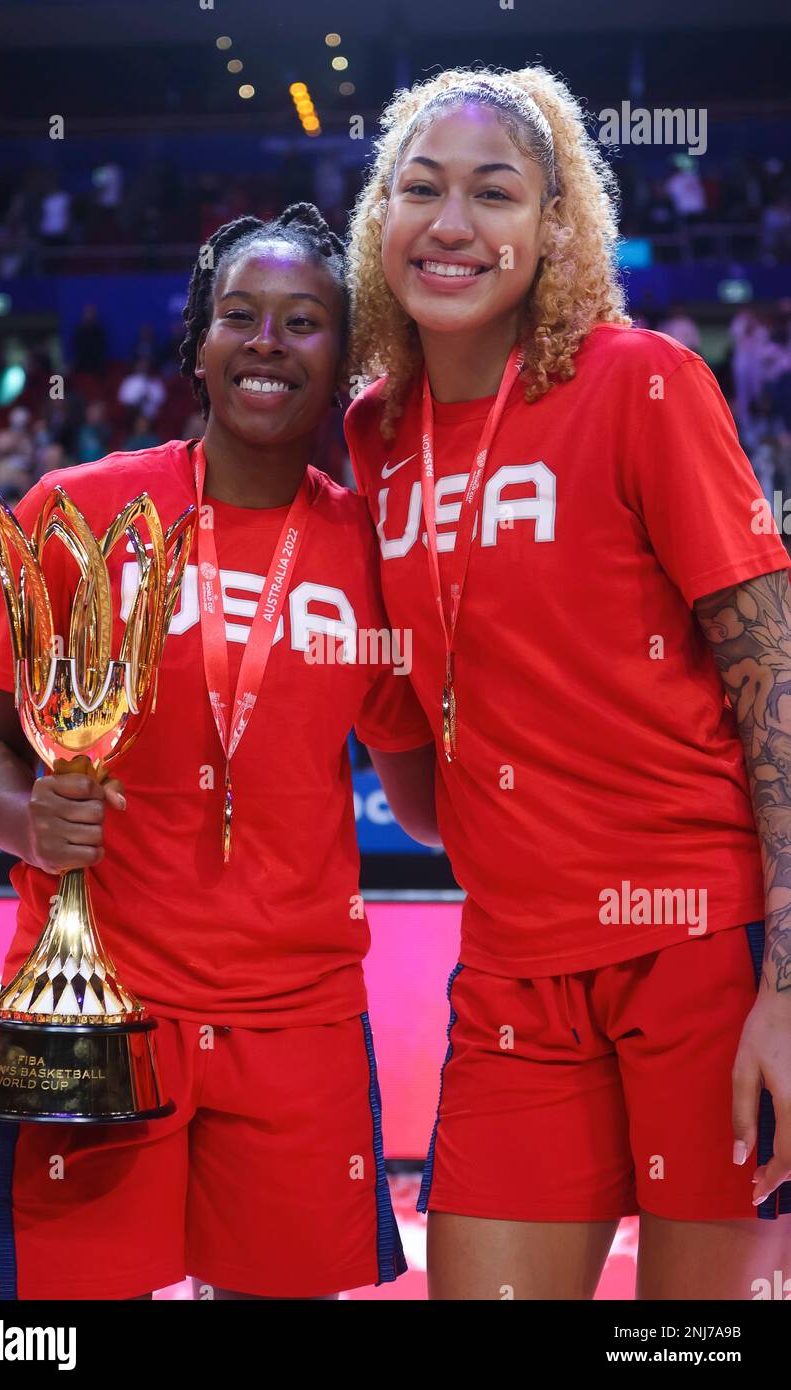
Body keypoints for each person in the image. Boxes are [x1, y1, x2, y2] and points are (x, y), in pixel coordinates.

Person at [343, 66, 791, 1300]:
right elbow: (421, 766)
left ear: (554, 226)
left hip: (701, 950)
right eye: (420, 188)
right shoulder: (374, 433)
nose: (452, 223)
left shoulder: (639, 381)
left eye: (496, 193)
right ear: (380, 216)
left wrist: (787, 992)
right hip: (510, 972)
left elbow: (775, 675)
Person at [0, 202, 437, 1301]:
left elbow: (426, 802)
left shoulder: (373, 554)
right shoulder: (78, 513)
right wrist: (28, 818)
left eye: (304, 320)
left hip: (298, 1019)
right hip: (98, 1009)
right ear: (198, 342)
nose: (268, 341)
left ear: (345, 357)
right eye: (239, 315)